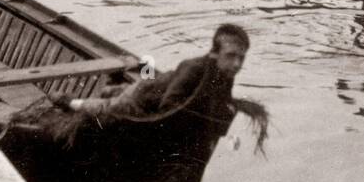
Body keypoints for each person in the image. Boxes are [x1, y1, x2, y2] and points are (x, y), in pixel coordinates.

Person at [66, 24, 248, 125]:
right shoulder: (193, 68)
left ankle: (112, 89)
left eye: (241, 57)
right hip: (143, 95)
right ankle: (69, 101)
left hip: (157, 86)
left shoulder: (226, 72)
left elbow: (223, 99)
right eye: (231, 56)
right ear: (214, 53)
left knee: (117, 94)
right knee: (109, 108)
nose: (237, 64)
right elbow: (168, 105)